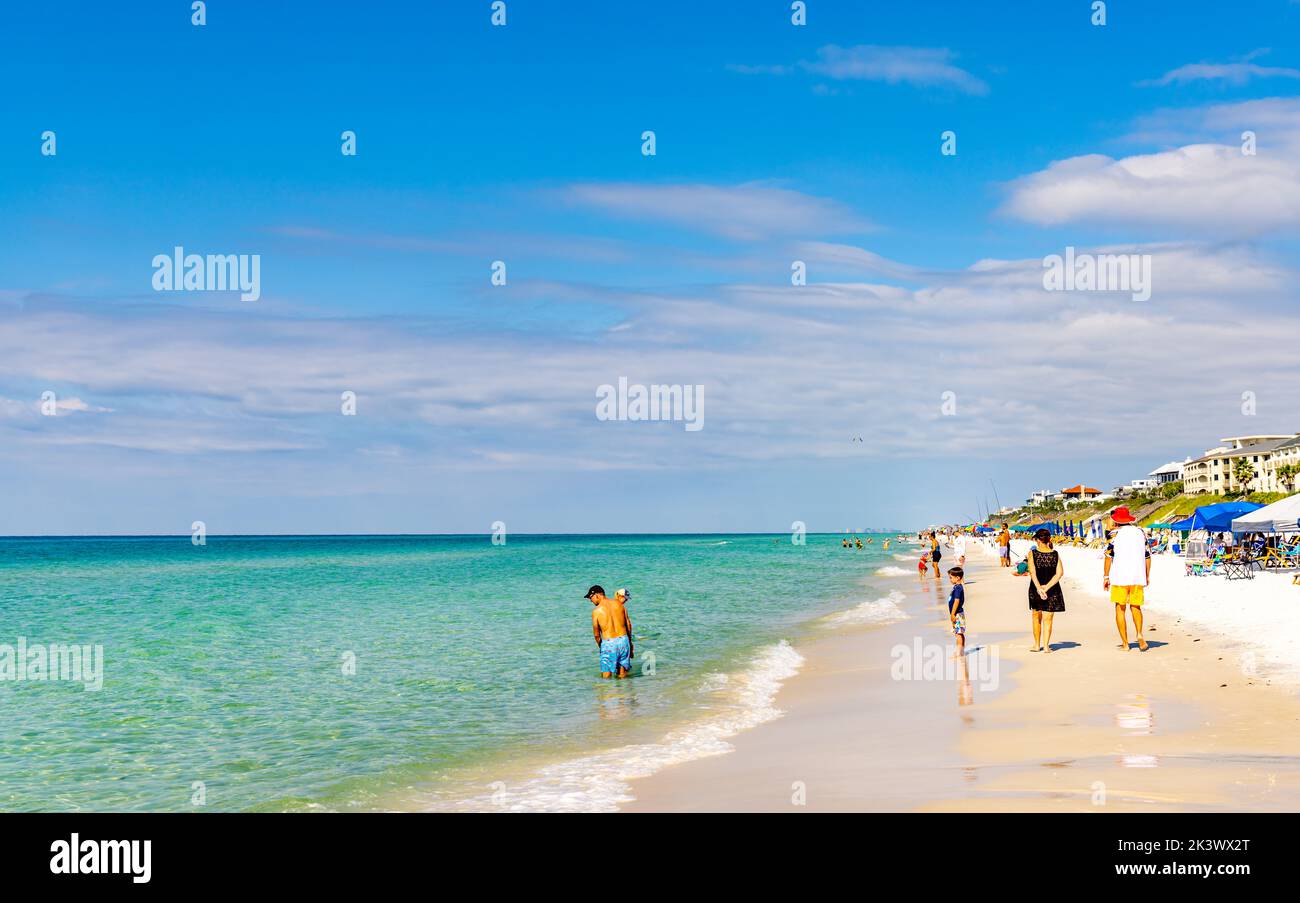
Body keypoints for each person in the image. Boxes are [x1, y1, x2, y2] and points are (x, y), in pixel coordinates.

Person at [1104, 507, 1150, 652]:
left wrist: (1106, 576)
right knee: (1136, 607)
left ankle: (1125, 644)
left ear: (1116, 520)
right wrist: (1147, 575)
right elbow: (1147, 556)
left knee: (1120, 608)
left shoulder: (1114, 534)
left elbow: (1108, 556)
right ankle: (1139, 634)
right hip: (1138, 576)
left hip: (1120, 577)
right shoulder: (1140, 532)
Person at [1027, 528, 1065, 652]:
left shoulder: (1032, 553)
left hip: (1036, 588)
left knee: (1036, 616)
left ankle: (1037, 645)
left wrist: (1039, 588)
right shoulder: (1055, 554)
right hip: (1052, 588)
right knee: (1048, 618)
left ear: (1038, 540)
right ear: (1048, 539)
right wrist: (1046, 587)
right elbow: (1059, 573)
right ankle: (1046, 646)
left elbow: (1032, 572)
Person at [586, 585, 634, 678]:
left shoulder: (596, 611)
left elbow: (596, 635)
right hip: (623, 641)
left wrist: (601, 647)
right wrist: (630, 643)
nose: (590, 600)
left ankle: (607, 688)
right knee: (622, 674)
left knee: (606, 676)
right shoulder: (619, 604)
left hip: (609, 643)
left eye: (590, 597)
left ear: (596, 595)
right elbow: (628, 625)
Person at [947, 566, 966, 657]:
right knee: (959, 633)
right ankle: (961, 651)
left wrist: (952, 614)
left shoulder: (958, 588)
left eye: (951, 577)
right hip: (957, 613)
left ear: (957, 577)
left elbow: (957, 601)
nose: (950, 579)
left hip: (957, 614)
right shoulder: (957, 587)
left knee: (958, 634)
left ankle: (959, 652)